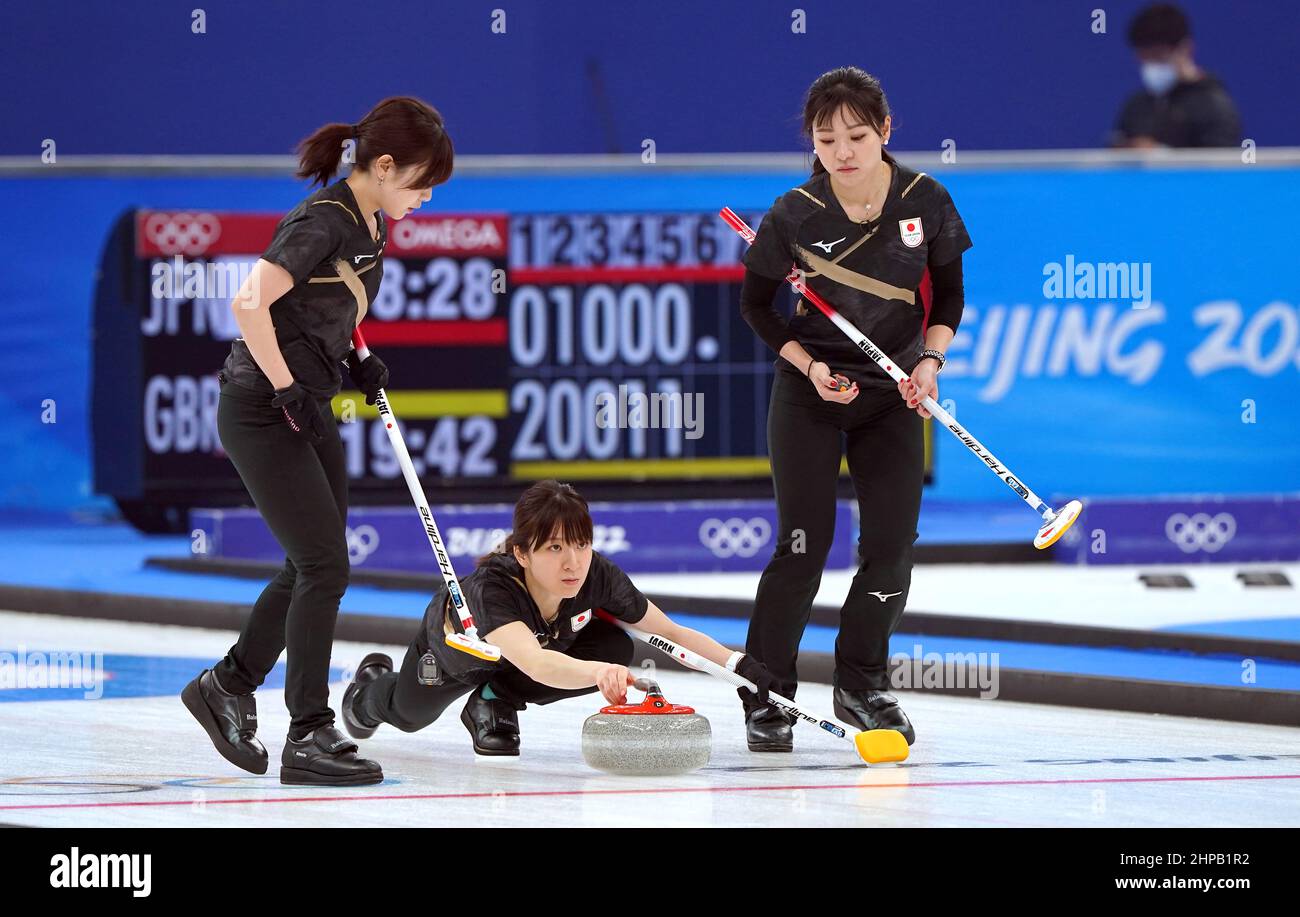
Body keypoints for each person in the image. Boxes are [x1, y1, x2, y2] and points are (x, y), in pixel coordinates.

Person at [182, 96, 453, 786]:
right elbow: (250, 301)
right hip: (261, 408)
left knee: (312, 563)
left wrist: (358, 355)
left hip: (306, 399)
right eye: (421, 183)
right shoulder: (321, 221)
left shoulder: (372, 221)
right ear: (384, 165)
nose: (425, 197)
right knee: (325, 564)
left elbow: (326, 302)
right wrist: (284, 389)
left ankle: (227, 683)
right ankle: (308, 730)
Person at [736, 66, 971, 752]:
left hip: (894, 395)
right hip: (811, 395)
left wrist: (929, 363)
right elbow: (755, 305)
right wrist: (809, 367)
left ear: (886, 132)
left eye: (857, 135)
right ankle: (768, 691)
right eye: (826, 137)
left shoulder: (926, 200)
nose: (842, 151)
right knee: (802, 545)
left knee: (891, 547)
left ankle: (863, 681)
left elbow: (950, 296)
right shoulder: (794, 212)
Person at [340, 479, 780, 755]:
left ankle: (494, 702)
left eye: (581, 544)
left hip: (520, 661)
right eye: (554, 548)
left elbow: (667, 632)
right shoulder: (494, 591)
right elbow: (538, 664)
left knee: (615, 643)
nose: (573, 563)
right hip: (457, 656)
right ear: (522, 553)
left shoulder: (596, 575)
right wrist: (601, 672)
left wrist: (738, 667)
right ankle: (367, 691)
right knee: (408, 715)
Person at [1111, 3, 1242, 148]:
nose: (1150, 65)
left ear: (1185, 48)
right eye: (1143, 58)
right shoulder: (1136, 105)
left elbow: (1221, 165)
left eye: (1157, 56)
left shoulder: (1215, 107)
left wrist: (1159, 155)